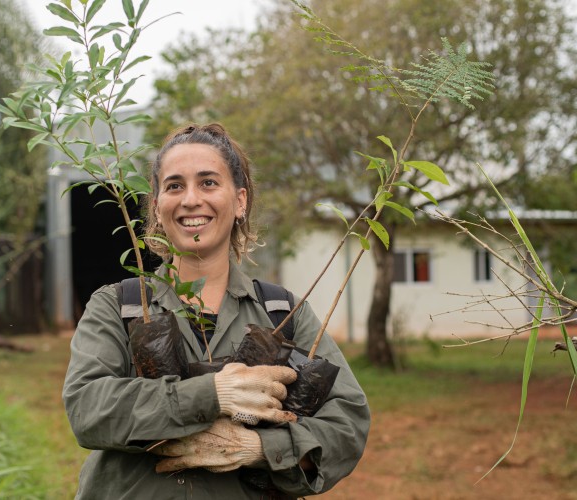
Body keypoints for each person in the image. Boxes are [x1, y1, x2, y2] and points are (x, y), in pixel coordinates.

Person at [62, 123, 370, 499]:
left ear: (240, 201)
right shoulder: (119, 306)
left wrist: (259, 450)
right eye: (174, 186)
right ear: (157, 206)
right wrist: (212, 395)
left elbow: (348, 424)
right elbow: (87, 409)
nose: (191, 199)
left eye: (208, 182)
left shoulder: (283, 315)